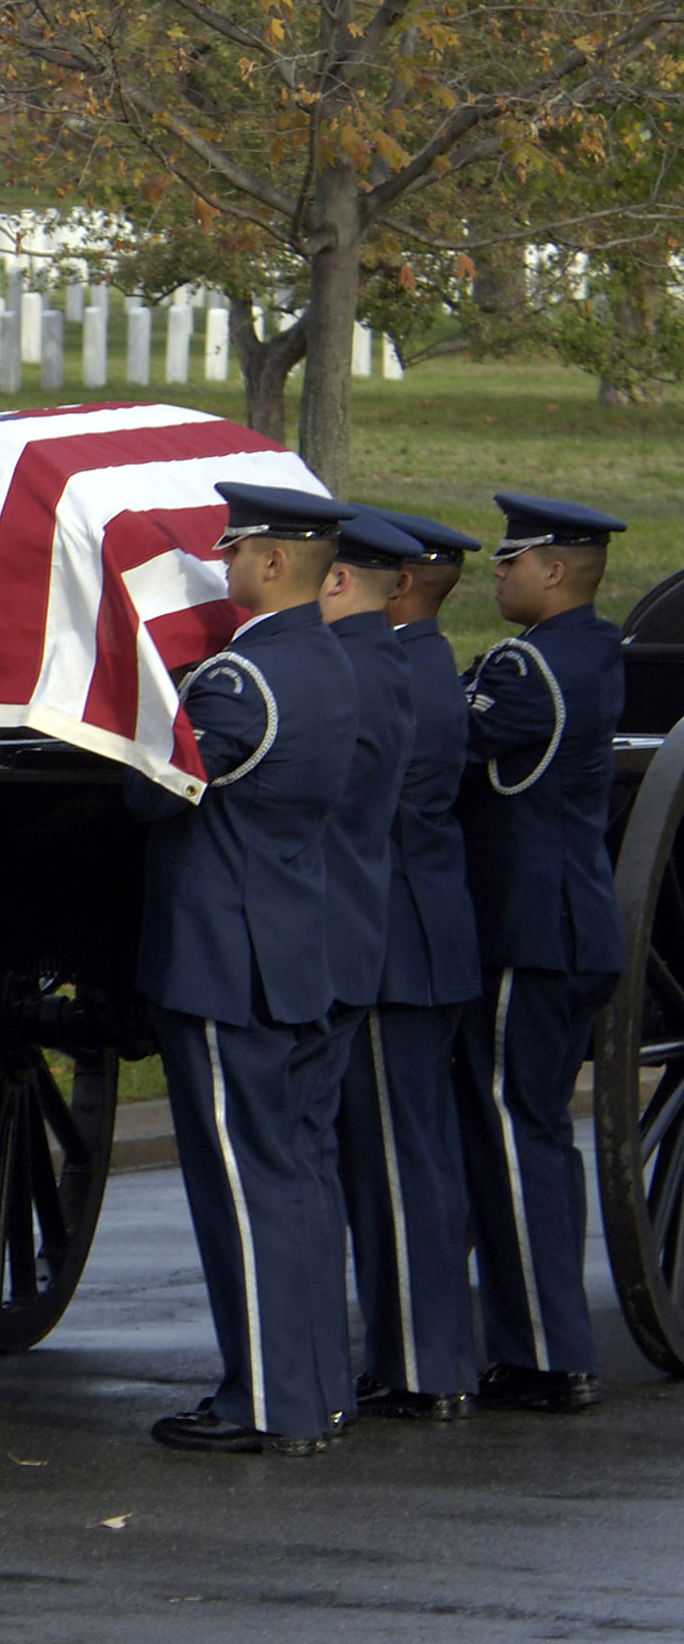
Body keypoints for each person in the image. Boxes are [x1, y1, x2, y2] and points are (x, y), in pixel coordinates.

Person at [130, 484, 359, 1457]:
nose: (222, 564)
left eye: (235, 551)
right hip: (296, 951)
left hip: (226, 964)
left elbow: (157, 795)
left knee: (242, 1188)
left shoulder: (237, 682)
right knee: (297, 1180)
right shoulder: (334, 663)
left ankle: (262, 1400)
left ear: (273, 560)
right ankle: (315, 1388)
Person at [456, 492, 629, 1413]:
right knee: (540, 1133)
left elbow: (443, 739)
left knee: (512, 1135)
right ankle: (553, 1340)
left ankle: (547, 1357)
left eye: (512, 559)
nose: (498, 571)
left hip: (528, 931)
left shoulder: (524, 667)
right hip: (574, 925)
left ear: (554, 570)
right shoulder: (595, 650)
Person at [338, 508, 485, 1421]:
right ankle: (429, 1358)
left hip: (396, 945)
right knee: (417, 1156)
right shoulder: (429, 664)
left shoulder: (392, 676)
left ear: (395, 585)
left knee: (396, 1162)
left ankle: (422, 1368)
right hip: (425, 936)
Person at [296, 508, 421, 1426]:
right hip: (346, 934)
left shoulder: (344, 673)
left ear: (337, 578)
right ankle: (315, 1376)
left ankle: (307, 1377)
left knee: (300, 1164)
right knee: (313, 1161)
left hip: (318, 938)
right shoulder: (384, 664)